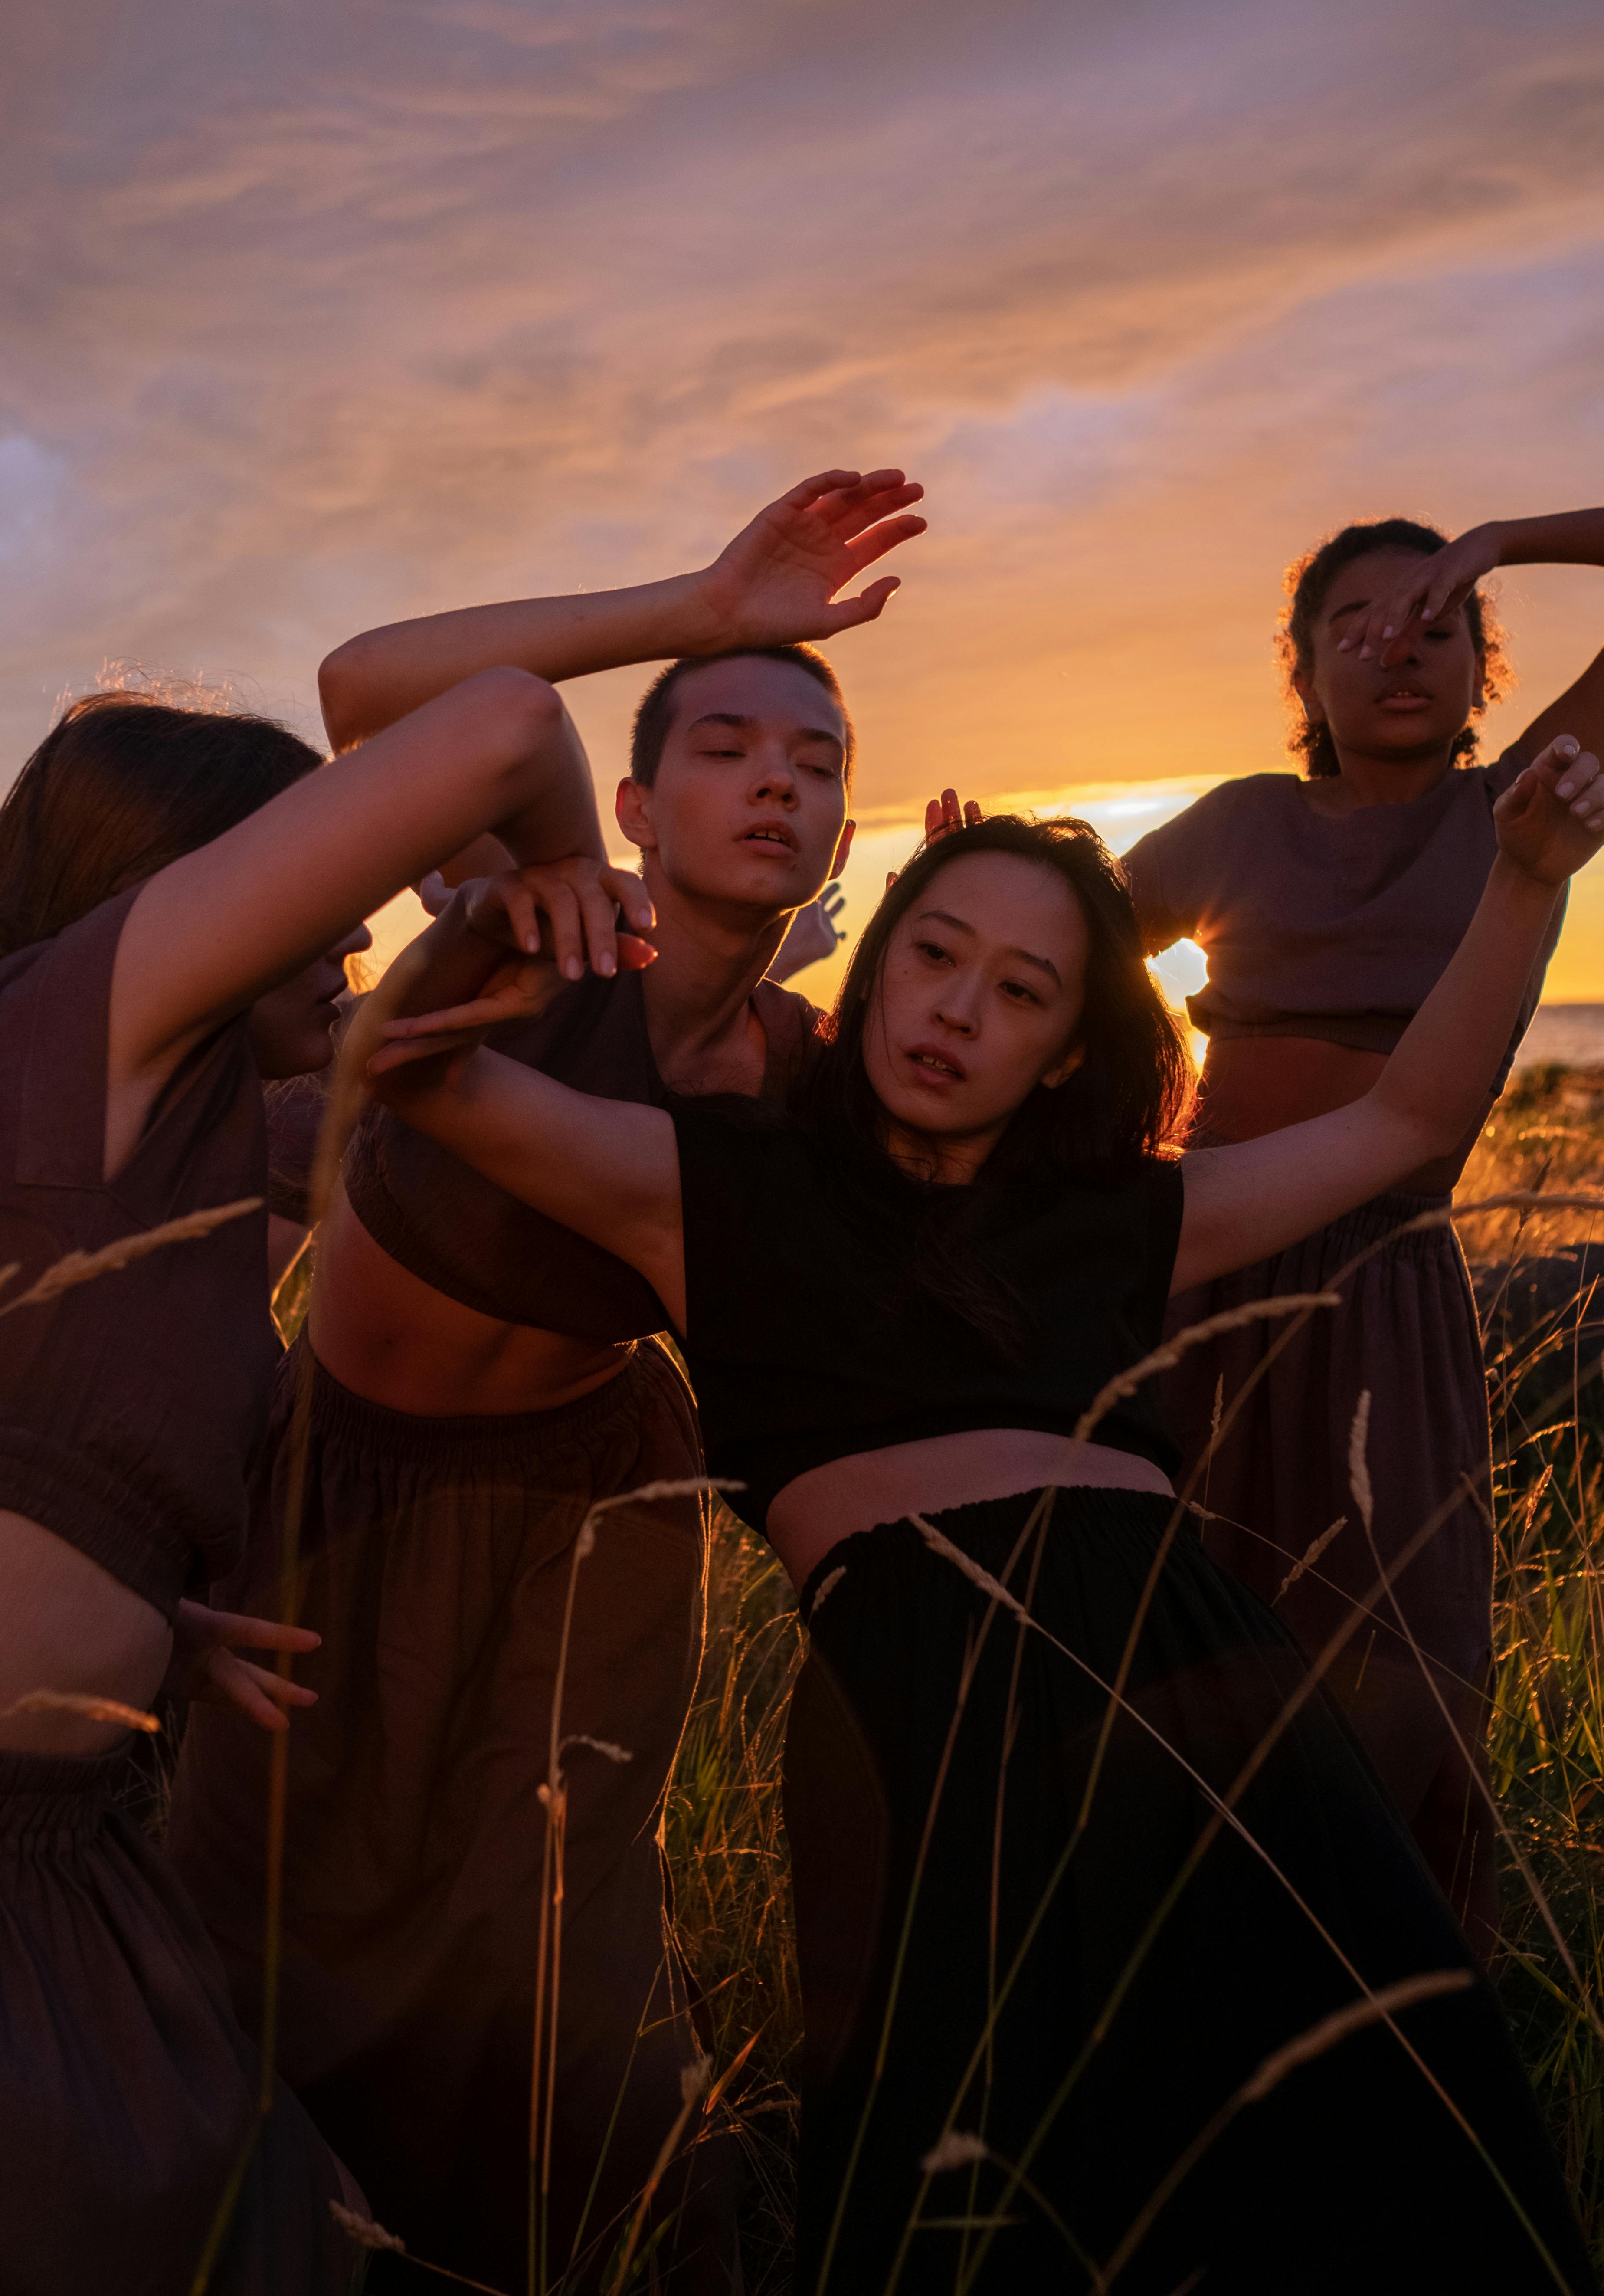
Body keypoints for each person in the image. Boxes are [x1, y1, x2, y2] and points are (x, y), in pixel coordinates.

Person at [357, 742, 1604, 2295]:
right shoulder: (716, 1188)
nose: (956, 1008)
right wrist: (510, 908)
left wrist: (1527, 874)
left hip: (1203, 1704)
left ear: (1068, 1052)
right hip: (915, 1709)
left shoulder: (1124, 1217)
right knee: (974, 2200)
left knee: (1359, 2176)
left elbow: (1407, 1124)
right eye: (934, 956)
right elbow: (407, 1062)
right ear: (874, 970)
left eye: (1021, 991)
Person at [167, 467, 925, 2292]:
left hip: (578, 1535)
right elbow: (368, 687)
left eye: (812, 766)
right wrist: (704, 604)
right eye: (730, 743)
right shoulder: (546, 912)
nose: (774, 780)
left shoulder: (810, 1082)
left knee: (545, 1979)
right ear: (643, 805)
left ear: (839, 832)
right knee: (258, 1932)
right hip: (328, 1492)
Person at [0, 658, 629, 2296]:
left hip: (70, 1857)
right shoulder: (52, 1033)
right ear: (188, 899)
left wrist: (137, 1606)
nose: (350, 939)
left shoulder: (136, 1133)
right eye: (314, 895)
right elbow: (509, 720)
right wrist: (575, 849)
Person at [1120, 503, 1604, 1949]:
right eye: (1355, 626)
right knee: (1181, 1670)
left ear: (1481, 667)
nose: (1397, 647)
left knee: (1400, 1673)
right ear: (1303, 675)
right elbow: (1051, 951)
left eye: (1436, 620)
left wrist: (1504, 538)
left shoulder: (1519, 809)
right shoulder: (1238, 822)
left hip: (1388, 1292)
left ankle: (1395, 2026)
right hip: (1191, 1280)